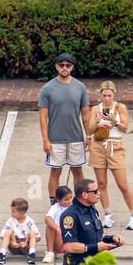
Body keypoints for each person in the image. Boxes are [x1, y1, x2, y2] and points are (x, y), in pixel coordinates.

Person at [86, 81, 133, 231]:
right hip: (98, 145)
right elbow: (89, 130)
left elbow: (125, 128)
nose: (107, 98)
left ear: (114, 95)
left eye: (109, 95)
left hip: (115, 146)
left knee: (123, 184)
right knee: (101, 184)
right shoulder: (96, 108)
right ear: (100, 95)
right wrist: (97, 120)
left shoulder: (120, 108)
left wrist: (113, 120)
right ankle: (107, 214)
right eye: (104, 95)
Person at [37, 52, 89, 202]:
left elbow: (85, 115)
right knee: (55, 172)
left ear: (72, 67)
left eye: (68, 65)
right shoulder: (47, 88)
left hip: (76, 138)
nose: (64, 68)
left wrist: (89, 136)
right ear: (56, 66)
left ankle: (80, 201)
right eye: (61, 65)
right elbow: (42, 117)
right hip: (55, 139)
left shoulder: (80, 87)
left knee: (77, 171)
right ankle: (54, 203)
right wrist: (45, 140)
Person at [0, 197, 39, 265]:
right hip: (14, 246)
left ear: (22, 212)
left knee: (32, 232)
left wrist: (26, 243)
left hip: (26, 246)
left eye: (13, 212)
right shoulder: (10, 221)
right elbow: (2, 236)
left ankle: (31, 254)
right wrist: (12, 242)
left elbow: (38, 237)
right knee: (8, 232)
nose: (11, 213)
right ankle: (2, 254)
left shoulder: (30, 221)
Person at [42, 185, 73, 265]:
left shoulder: (75, 206)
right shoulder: (55, 207)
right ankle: (50, 252)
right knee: (49, 226)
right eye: (66, 199)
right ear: (59, 200)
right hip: (61, 240)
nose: (69, 201)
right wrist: (57, 228)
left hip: (73, 240)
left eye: (71, 197)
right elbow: (47, 218)